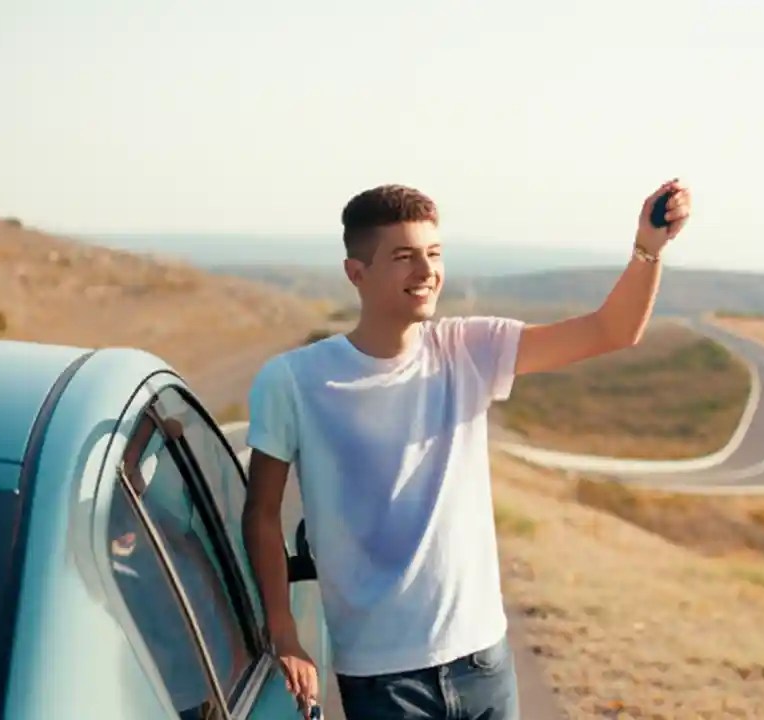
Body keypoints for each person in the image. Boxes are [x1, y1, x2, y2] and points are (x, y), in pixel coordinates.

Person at [242, 178, 693, 719]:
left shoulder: (468, 349)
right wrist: (284, 632)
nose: (426, 270)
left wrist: (648, 248)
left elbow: (610, 330)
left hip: (484, 661)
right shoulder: (293, 380)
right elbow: (262, 513)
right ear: (356, 273)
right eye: (403, 257)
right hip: (383, 680)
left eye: (434, 253)